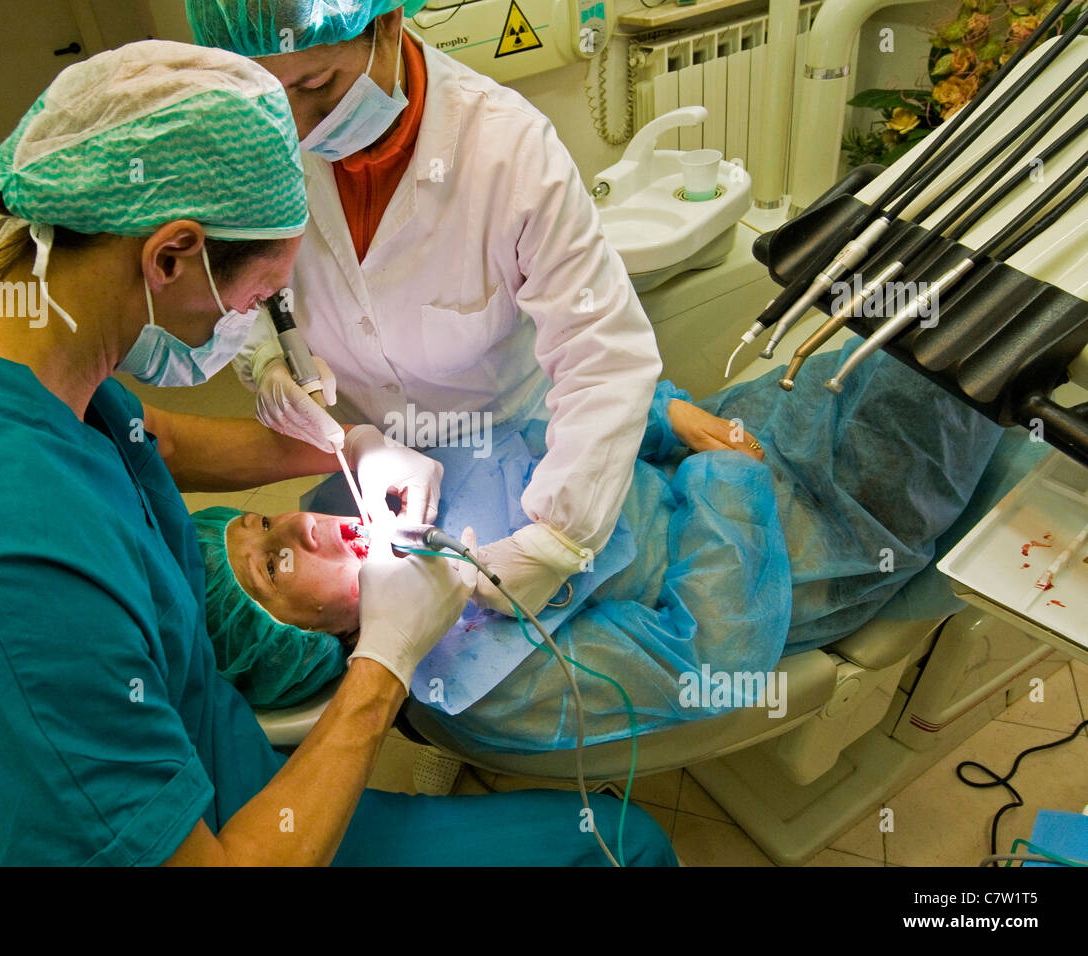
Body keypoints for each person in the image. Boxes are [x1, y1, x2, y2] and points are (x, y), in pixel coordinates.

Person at [0, 40, 675, 866]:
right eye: (264, 296)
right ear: (172, 256)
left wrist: (343, 444)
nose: (252, 324)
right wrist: (382, 671)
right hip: (230, 833)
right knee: (617, 843)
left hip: (198, 762)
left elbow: (140, 440)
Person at [186, 0, 768, 621]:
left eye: (318, 84)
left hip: (525, 444)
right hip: (376, 459)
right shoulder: (262, 140)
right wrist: (269, 357)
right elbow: (249, 290)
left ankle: (659, 416)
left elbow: (602, 351)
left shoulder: (507, 152)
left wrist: (560, 538)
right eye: (275, 97)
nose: (297, 127)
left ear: (386, 25)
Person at [190, 343, 1010, 751]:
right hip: (823, 537)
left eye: (256, 521)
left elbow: (555, 435)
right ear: (296, 641)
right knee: (981, 341)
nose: (296, 525)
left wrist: (666, 415)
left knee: (904, 299)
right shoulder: (489, 682)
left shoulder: (382, 489)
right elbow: (719, 660)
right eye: (273, 565)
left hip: (745, 428)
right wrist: (726, 478)